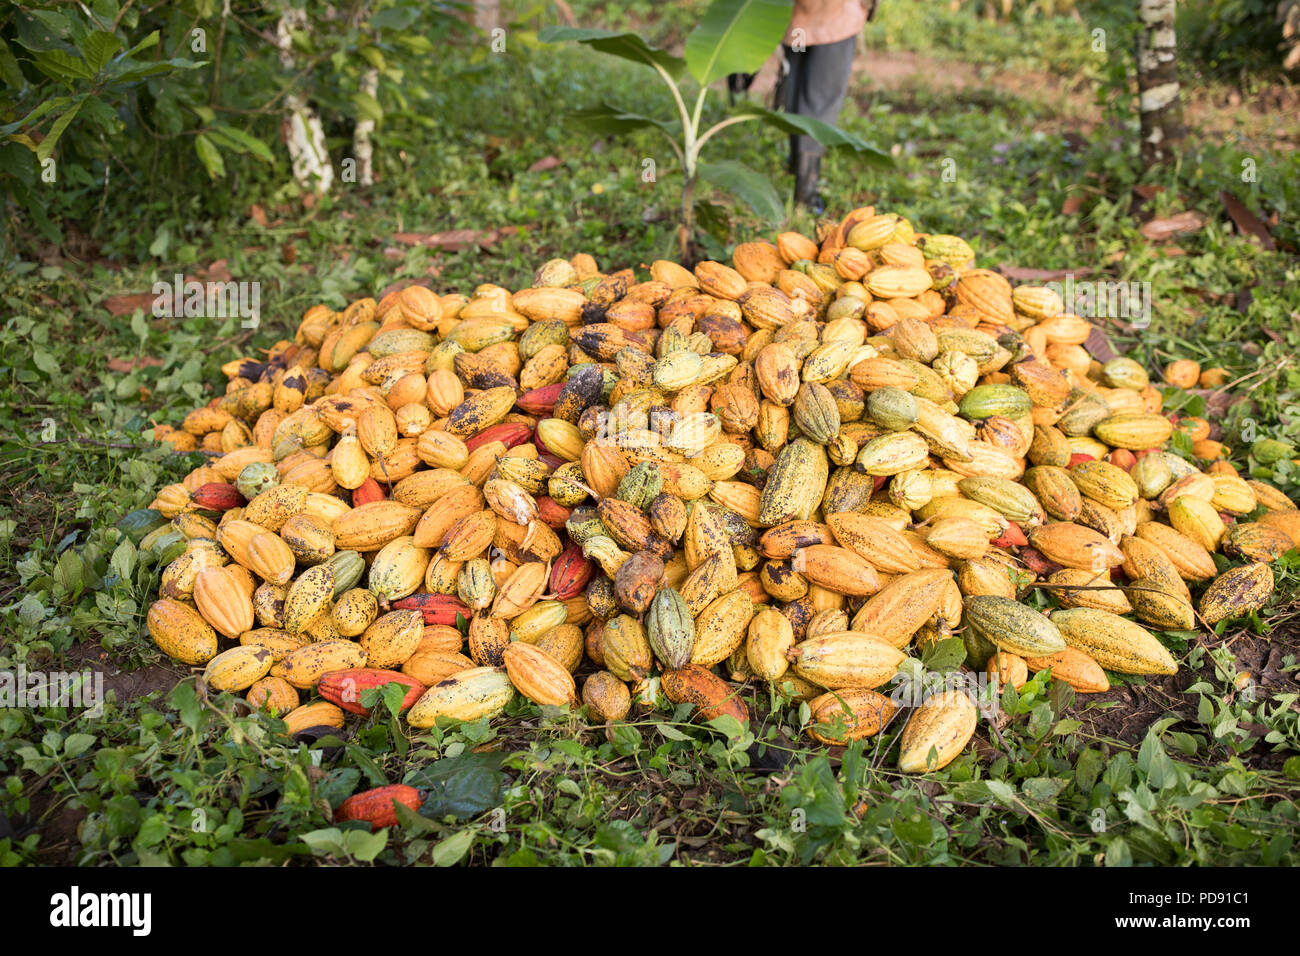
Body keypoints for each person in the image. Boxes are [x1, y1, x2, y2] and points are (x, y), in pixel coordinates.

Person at [781, 0, 875, 214]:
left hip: (796, 22)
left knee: (795, 91)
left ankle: (798, 166)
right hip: (834, 20)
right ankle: (806, 193)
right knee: (820, 103)